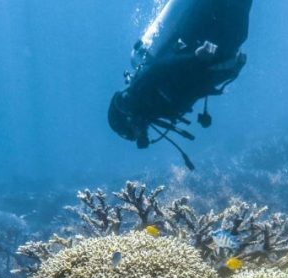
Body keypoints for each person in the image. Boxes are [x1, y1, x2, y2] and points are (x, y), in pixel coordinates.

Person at [108, 0, 253, 169]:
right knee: (237, 31)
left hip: (200, 33)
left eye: (130, 133)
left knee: (233, 23)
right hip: (211, 44)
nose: (139, 135)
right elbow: (194, 89)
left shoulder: (141, 91)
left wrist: (195, 57)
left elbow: (160, 69)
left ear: (128, 119)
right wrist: (229, 72)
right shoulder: (156, 109)